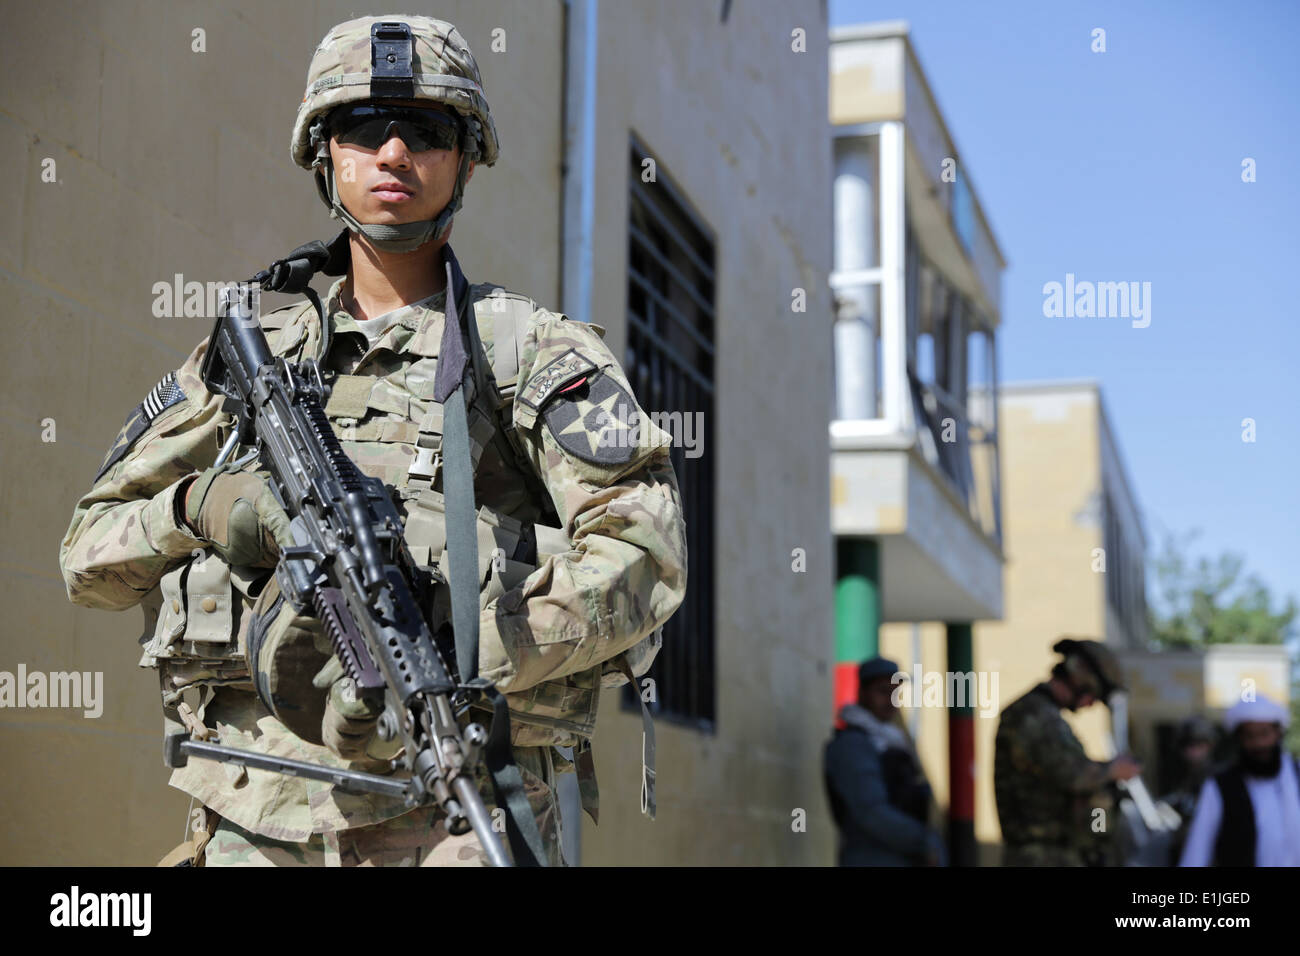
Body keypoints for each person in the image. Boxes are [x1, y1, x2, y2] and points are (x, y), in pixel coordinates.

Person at [58, 15, 688, 867]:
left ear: (465, 160)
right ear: (325, 153)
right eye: (363, 128)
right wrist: (201, 504)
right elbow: (86, 559)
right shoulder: (248, 361)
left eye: (426, 132)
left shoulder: (529, 353)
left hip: (455, 815)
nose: (394, 153)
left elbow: (646, 553)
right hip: (251, 821)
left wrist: (450, 645)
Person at [993, 638, 1141, 866]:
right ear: (1079, 679)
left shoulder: (1043, 714)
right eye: (1094, 695)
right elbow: (1074, 774)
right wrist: (1113, 770)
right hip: (1040, 856)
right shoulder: (1034, 715)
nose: (1090, 704)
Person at [823, 658, 945, 866]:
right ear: (862, 692)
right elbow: (871, 812)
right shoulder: (853, 744)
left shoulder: (891, 739)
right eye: (883, 691)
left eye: (896, 692)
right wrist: (924, 842)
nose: (891, 700)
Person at [1178, 695, 1300, 867]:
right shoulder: (1220, 785)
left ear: (1278, 733)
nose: (1258, 743)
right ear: (1240, 739)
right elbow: (1197, 850)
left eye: (1264, 734)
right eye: (1250, 736)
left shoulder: (1296, 774)